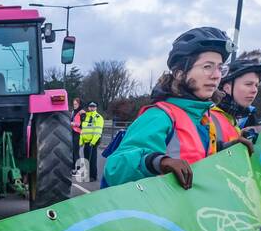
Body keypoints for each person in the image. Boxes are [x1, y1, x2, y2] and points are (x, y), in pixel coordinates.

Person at [103, 26, 243, 190]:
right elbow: (115, 168)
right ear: (179, 73)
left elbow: (193, 155)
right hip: (160, 212)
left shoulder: (204, 118)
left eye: (220, 67)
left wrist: (225, 149)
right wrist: (159, 162)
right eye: (207, 66)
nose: (216, 75)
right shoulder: (160, 116)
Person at [216, 59, 261, 133]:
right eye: (248, 84)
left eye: (256, 85)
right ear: (227, 88)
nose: (254, 90)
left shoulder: (250, 116)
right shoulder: (208, 117)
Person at [78, 101, 105, 184]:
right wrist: (81, 141)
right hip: (86, 142)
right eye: (90, 106)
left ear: (96, 108)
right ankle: (87, 175)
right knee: (86, 159)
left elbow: (98, 131)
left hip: (92, 142)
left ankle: (93, 176)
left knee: (92, 160)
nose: (92, 108)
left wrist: (93, 142)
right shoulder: (86, 117)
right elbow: (83, 130)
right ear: (88, 107)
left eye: (94, 106)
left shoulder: (98, 117)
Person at [70, 97, 83, 166]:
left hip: (78, 133)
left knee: (76, 151)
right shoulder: (72, 112)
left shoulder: (81, 112)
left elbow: (82, 123)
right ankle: (73, 166)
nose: (74, 106)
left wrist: (74, 124)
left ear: (79, 104)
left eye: (76, 104)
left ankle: (77, 167)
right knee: (72, 150)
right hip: (72, 132)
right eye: (73, 104)